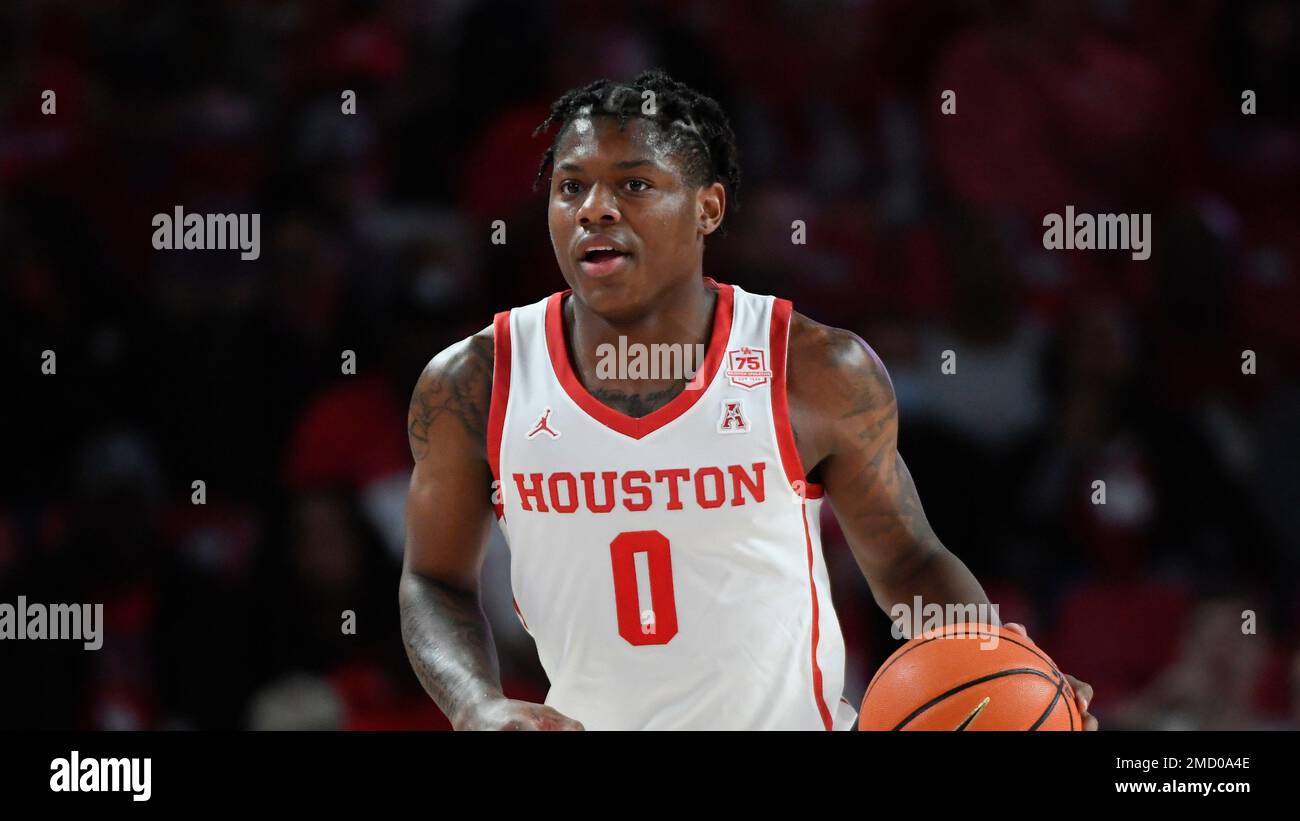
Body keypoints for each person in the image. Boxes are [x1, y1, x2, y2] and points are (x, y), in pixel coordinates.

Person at [398, 69, 1097, 730]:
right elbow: (433, 579)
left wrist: (1002, 672)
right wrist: (473, 703)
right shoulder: (473, 382)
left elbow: (909, 563)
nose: (594, 210)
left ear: (708, 207)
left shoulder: (815, 367)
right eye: (570, 187)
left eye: (633, 185)